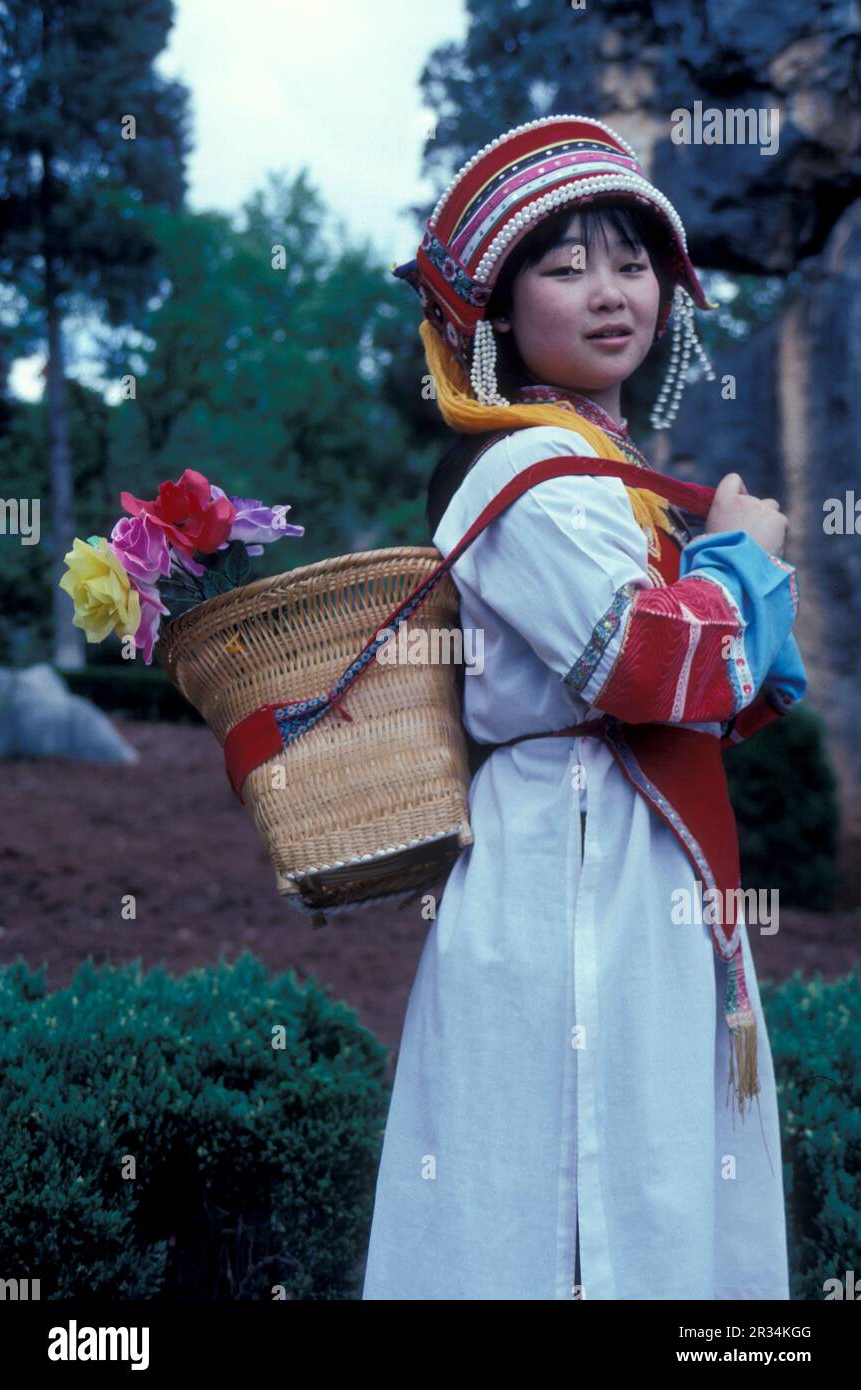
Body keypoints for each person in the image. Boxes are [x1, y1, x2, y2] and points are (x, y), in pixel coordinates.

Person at [362, 115, 808, 1300]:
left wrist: (727, 583)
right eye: (564, 268)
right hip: (569, 860)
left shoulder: (592, 466)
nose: (611, 294)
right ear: (498, 310)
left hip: (617, 848)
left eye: (629, 263)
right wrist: (739, 565)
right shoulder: (522, 472)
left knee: (636, 1165)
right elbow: (647, 667)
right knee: (583, 1184)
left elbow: (710, 688)